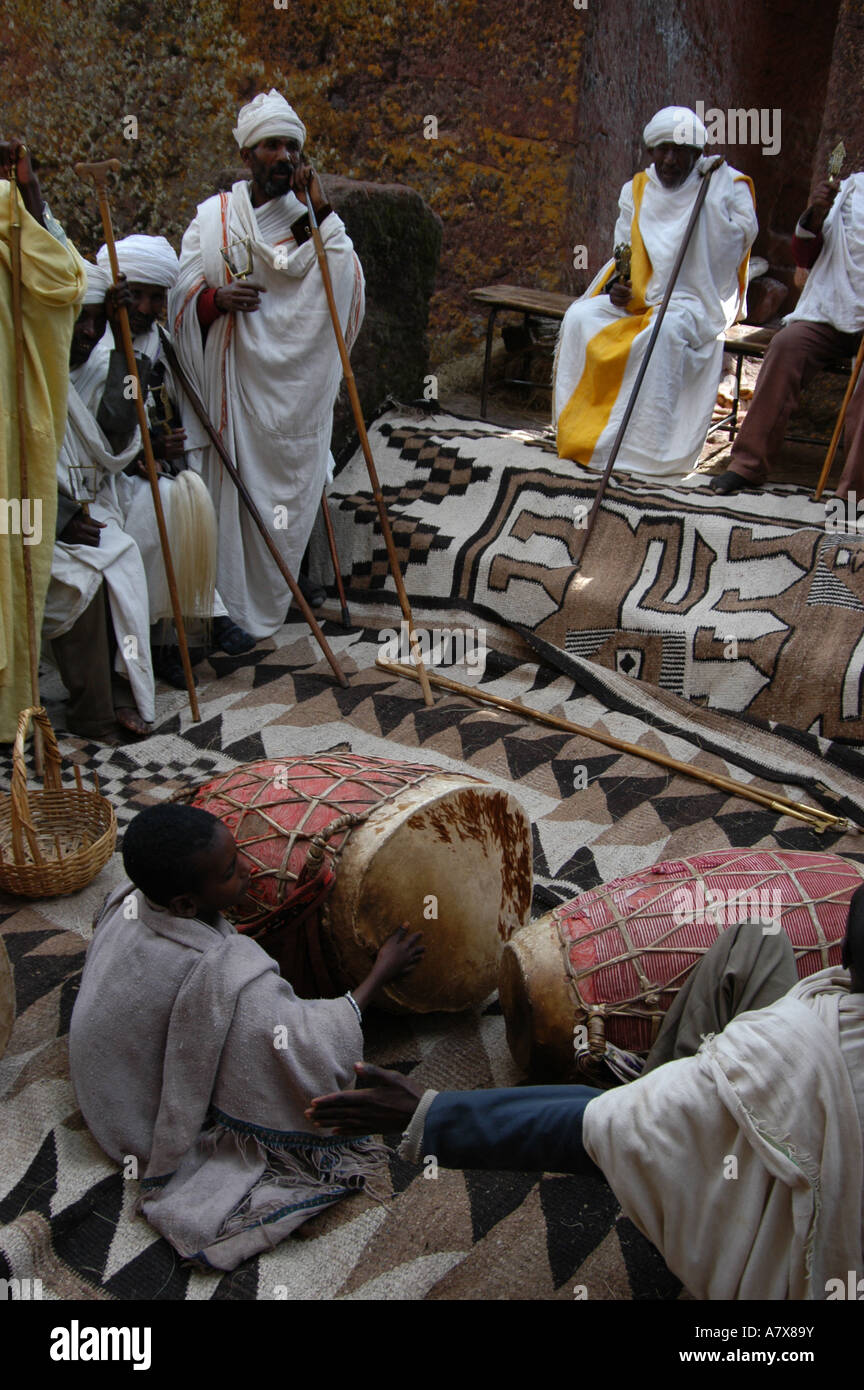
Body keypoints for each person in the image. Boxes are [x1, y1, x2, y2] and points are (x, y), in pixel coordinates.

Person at [309, 909, 864, 1300]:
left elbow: (586, 1125)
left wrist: (428, 1109)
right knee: (758, 937)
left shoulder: (796, 1046)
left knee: (629, 1124)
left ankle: (667, 1136)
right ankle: (669, 1101)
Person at [69, 803, 424, 1271]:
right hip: (139, 1116)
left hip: (102, 1083)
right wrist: (378, 976)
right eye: (229, 872)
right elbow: (307, 1043)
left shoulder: (127, 900)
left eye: (238, 853)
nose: (249, 867)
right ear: (184, 906)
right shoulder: (226, 970)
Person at [169, 89, 365, 638]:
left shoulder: (306, 222)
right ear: (248, 156)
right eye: (271, 146)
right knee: (228, 490)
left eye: (291, 147)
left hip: (287, 398)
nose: (282, 157)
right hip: (230, 384)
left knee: (289, 484)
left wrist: (322, 206)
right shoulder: (214, 222)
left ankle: (285, 580)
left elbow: (341, 278)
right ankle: (224, 606)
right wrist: (215, 301)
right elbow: (180, 295)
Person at [554, 106, 757, 479]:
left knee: (662, 333)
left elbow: (743, 237)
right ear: (650, 151)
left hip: (696, 297)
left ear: (697, 154)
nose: (669, 159)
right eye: (661, 149)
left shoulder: (725, 184)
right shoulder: (636, 189)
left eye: (679, 151)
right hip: (642, 294)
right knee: (580, 317)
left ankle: (645, 452)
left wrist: (712, 203)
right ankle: (582, 432)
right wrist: (620, 286)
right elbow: (623, 252)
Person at [91, 234, 255, 686]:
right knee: (158, 513)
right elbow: (95, 430)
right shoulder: (97, 345)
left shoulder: (161, 340)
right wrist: (139, 455)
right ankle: (188, 628)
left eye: (155, 298)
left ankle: (188, 632)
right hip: (109, 478)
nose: (146, 308)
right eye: (136, 296)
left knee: (191, 497)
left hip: (159, 470)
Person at [43, 262, 155, 740]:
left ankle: (123, 687)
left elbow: (115, 432)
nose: (89, 331)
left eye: (98, 321)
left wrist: (125, 344)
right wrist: (60, 517)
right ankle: (93, 712)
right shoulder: (20, 367)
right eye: (79, 319)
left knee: (122, 555)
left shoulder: (96, 365)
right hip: (26, 517)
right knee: (81, 579)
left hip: (88, 504)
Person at [0, 138, 86, 742]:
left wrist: (27, 193)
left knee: (13, 563)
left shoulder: (7, 216)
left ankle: (12, 710)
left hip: (11, 445)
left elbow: (62, 280)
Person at [712, 169, 864, 497]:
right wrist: (817, 213)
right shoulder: (850, 194)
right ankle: (747, 465)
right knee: (786, 346)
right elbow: (804, 256)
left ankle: (855, 491)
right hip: (831, 308)